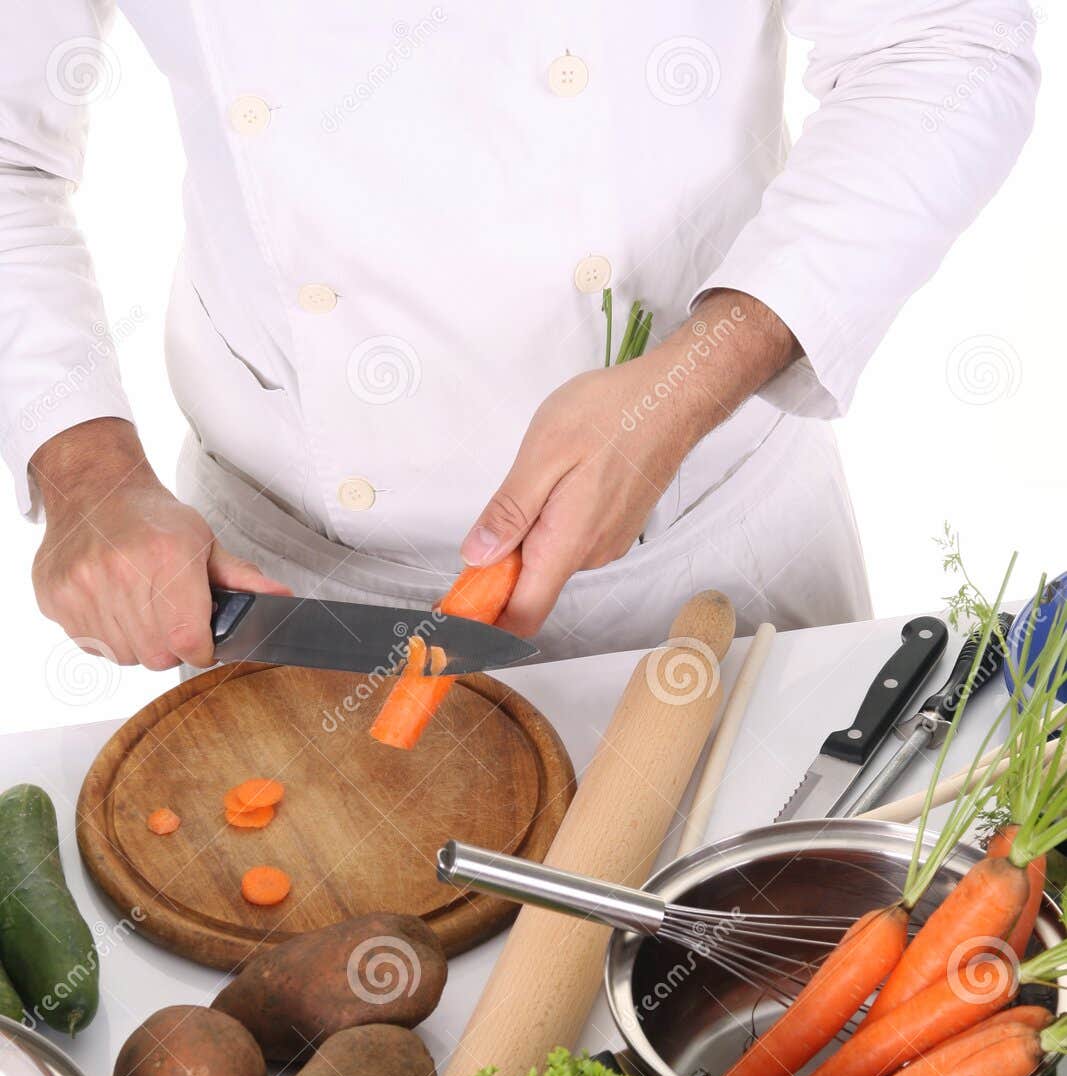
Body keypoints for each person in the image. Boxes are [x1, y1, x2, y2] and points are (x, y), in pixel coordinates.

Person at [1, 4, 1040, 666]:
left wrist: (678, 390)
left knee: (772, 990)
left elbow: (940, 42)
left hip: (710, 569)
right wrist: (88, 474)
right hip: (286, 593)